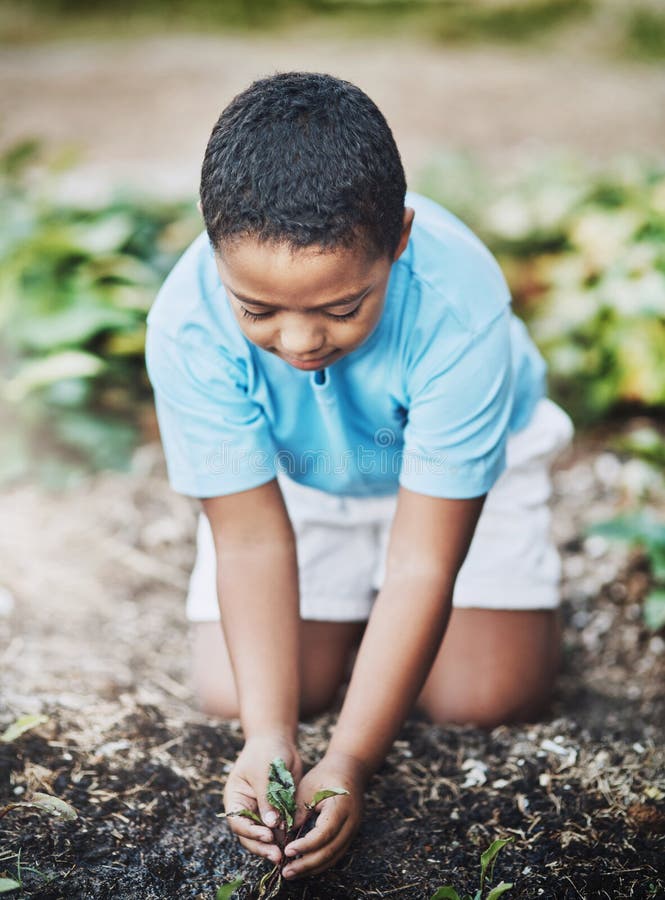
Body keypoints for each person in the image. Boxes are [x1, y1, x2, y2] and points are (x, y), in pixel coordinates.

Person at [145, 71, 573, 881]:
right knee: (235, 694)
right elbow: (245, 542)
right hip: (304, 474)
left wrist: (349, 758)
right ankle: (352, 626)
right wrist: (268, 738)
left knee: (484, 698)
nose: (301, 341)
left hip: (458, 483)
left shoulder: (458, 304)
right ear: (212, 250)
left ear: (399, 239)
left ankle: (426, 621)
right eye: (258, 309)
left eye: (341, 308)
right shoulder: (185, 322)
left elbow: (423, 560)